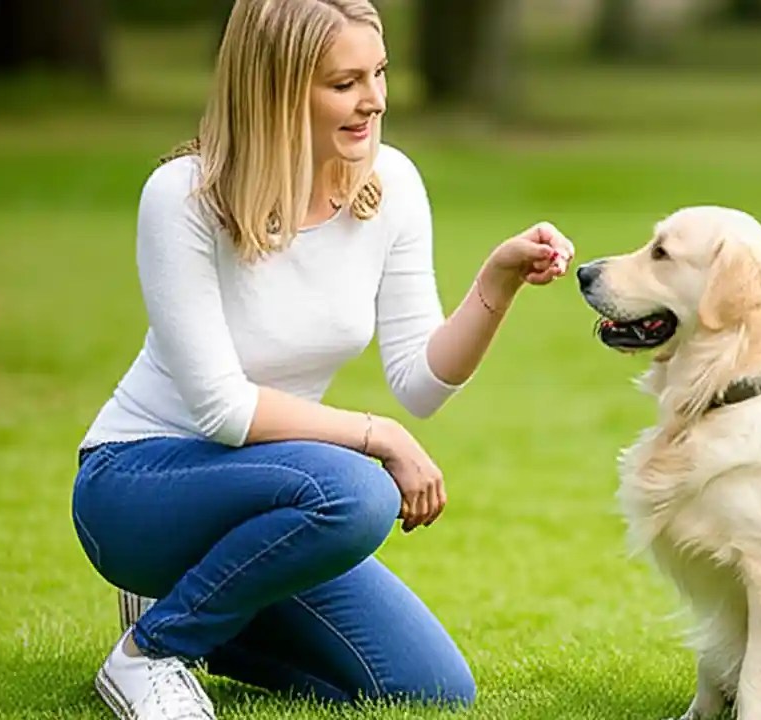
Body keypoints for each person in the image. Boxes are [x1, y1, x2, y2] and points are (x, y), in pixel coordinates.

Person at [69, 1, 574, 718]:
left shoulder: (389, 186)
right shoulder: (184, 197)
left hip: (270, 499)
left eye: (379, 73)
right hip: (138, 483)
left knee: (431, 689)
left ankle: (184, 606)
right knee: (358, 492)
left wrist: (497, 279)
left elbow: (422, 382)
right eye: (344, 83)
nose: (374, 100)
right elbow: (221, 406)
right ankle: (151, 652)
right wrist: (378, 435)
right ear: (276, 87)